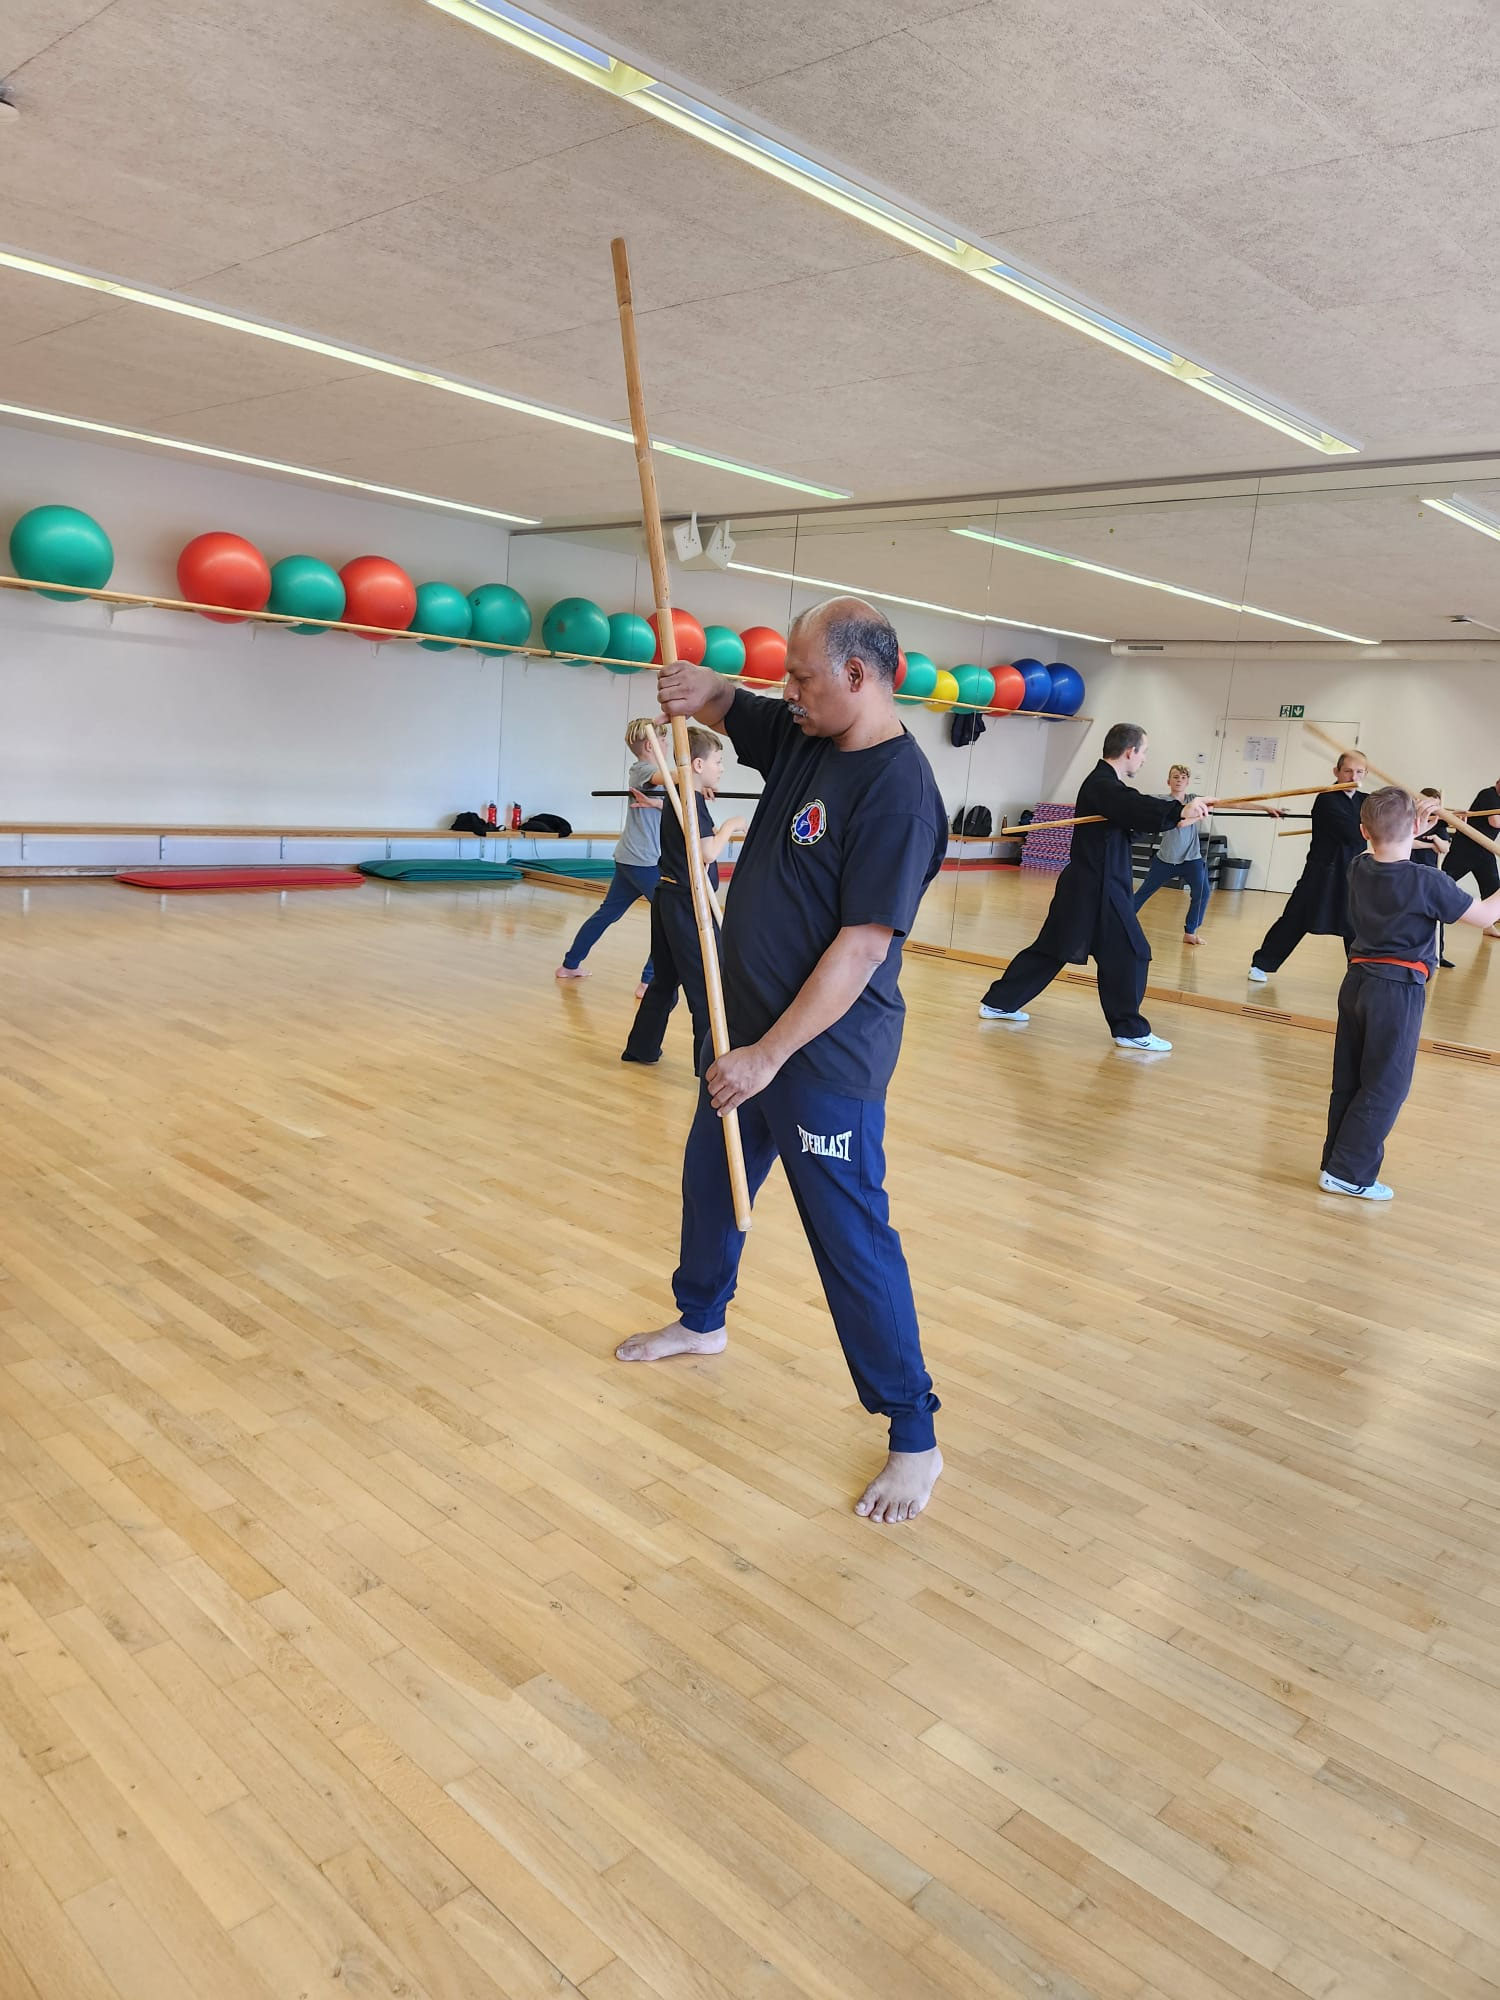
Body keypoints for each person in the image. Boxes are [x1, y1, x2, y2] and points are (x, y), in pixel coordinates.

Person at [615, 597, 950, 1525]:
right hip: (746, 1038)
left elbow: (861, 950)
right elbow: (734, 706)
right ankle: (702, 1318)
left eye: (802, 676)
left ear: (859, 675)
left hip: (819, 1057)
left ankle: (914, 1432)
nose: (786, 692)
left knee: (850, 1239)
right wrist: (702, 688)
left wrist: (768, 1055)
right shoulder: (808, 730)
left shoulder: (899, 792)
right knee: (710, 1183)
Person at [977, 724, 1212, 1052]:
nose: (1144, 760)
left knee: (1052, 948)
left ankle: (999, 1002)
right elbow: (1132, 805)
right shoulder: (1102, 784)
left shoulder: (1105, 786)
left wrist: (1178, 819)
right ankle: (1129, 1029)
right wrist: (1176, 809)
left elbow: (1125, 827)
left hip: (1089, 884)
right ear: (1129, 751)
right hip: (1098, 886)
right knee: (1132, 951)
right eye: (1143, 753)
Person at [1320, 787, 1500, 1200]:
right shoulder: (1428, 881)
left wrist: (1417, 820)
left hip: (1357, 984)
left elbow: (1385, 844)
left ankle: (1337, 1163)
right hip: (1396, 991)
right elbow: (1488, 914)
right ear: (1418, 828)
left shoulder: (1358, 867)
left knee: (1351, 1078)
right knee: (1386, 1084)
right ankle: (1348, 1173)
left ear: (1364, 831)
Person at [621, 728, 744, 1068]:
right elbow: (705, 852)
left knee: (664, 980)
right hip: (687, 903)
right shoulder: (689, 799)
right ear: (699, 764)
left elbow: (674, 802)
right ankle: (708, 1068)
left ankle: (642, 1048)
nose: (721, 769)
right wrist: (730, 827)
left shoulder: (681, 796)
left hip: (667, 896)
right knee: (708, 985)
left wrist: (685, 788)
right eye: (718, 762)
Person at [557, 717, 662, 997]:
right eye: (664, 741)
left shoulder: (653, 772)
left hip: (630, 858)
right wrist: (694, 780)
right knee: (669, 918)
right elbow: (675, 780)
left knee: (607, 913)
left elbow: (673, 800)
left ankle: (570, 965)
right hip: (644, 861)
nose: (667, 746)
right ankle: (648, 981)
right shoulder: (644, 770)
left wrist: (697, 789)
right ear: (651, 745)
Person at [1248, 752, 1367, 981]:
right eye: (1348, 771)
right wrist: (1373, 828)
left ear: (1366, 773)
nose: (1353, 776)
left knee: (1356, 924)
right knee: (1297, 917)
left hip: (1354, 872)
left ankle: (1360, 975)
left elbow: (1390, 812)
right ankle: (1262, 964)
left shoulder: (1364, 801)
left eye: (1359, 772)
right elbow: (1352, 835)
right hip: (1323, 871)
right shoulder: (1327, 799)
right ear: (1336, 772)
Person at [1132, 762, 1212, 943]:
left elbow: (1224, 803)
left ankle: (1190, 932)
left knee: (1203, 892)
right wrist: (1199, 815)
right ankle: (1121, 921)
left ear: (1187, 782)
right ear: (1168, 781)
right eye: (1175, 777)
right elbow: (1181, 822)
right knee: (1144, 892)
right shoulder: (1164, 802)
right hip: (1166, 860)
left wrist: (1265, 808)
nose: (1179, 780)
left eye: (1183, 778)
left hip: (1192, 859)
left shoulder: (1193, 799)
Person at [1443, 775, 1500, 940]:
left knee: (1492, 887)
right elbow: (1495, 822)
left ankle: (1488, 925)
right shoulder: (1488, 794)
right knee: (1444, 878)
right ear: (1497, 783)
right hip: (1466, 847)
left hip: (1484, 849)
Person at [1412, 787, 1455, 968]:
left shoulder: (1440, 824)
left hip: (1431, 873)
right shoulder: (1411, 820)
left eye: (1436, 806)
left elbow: (1445, 847)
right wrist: (1429, 845)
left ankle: (1438, 953)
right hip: (1411, 871)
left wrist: (1437, 840)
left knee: (1436, 915)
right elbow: (1408, 841)